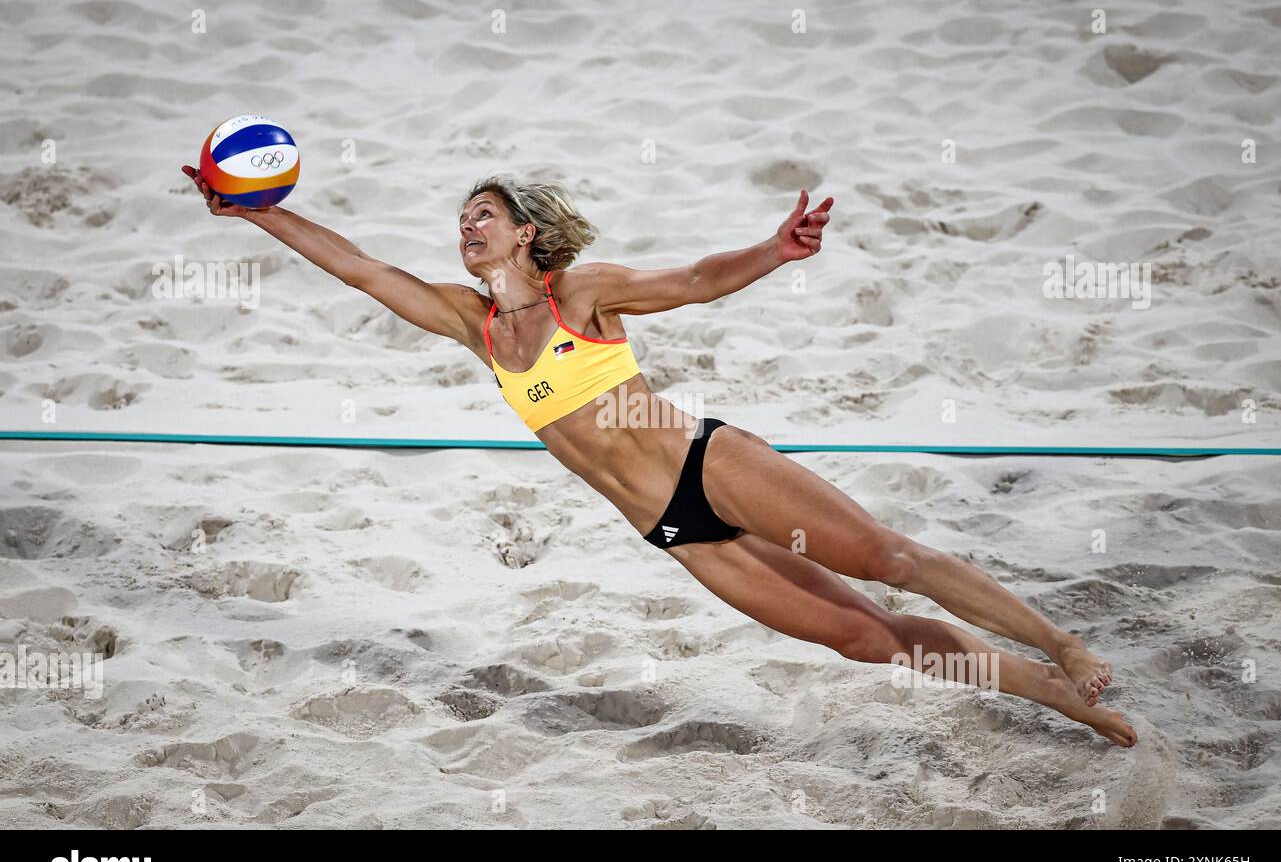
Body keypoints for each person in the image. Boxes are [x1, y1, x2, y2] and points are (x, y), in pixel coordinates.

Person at [180, 166, 1136, 746]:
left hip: (709, 466)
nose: (466, 226)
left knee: (888, 558)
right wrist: (252, 211)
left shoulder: (579, 293)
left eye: (484, 214)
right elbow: (355, 265)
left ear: (527, 233)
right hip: (675, 531)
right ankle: (1061, 700)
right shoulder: (470, 323)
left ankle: (1061, 643)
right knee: (866, 635)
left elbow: (692, 279)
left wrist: (774, 250)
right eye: (460, 217)